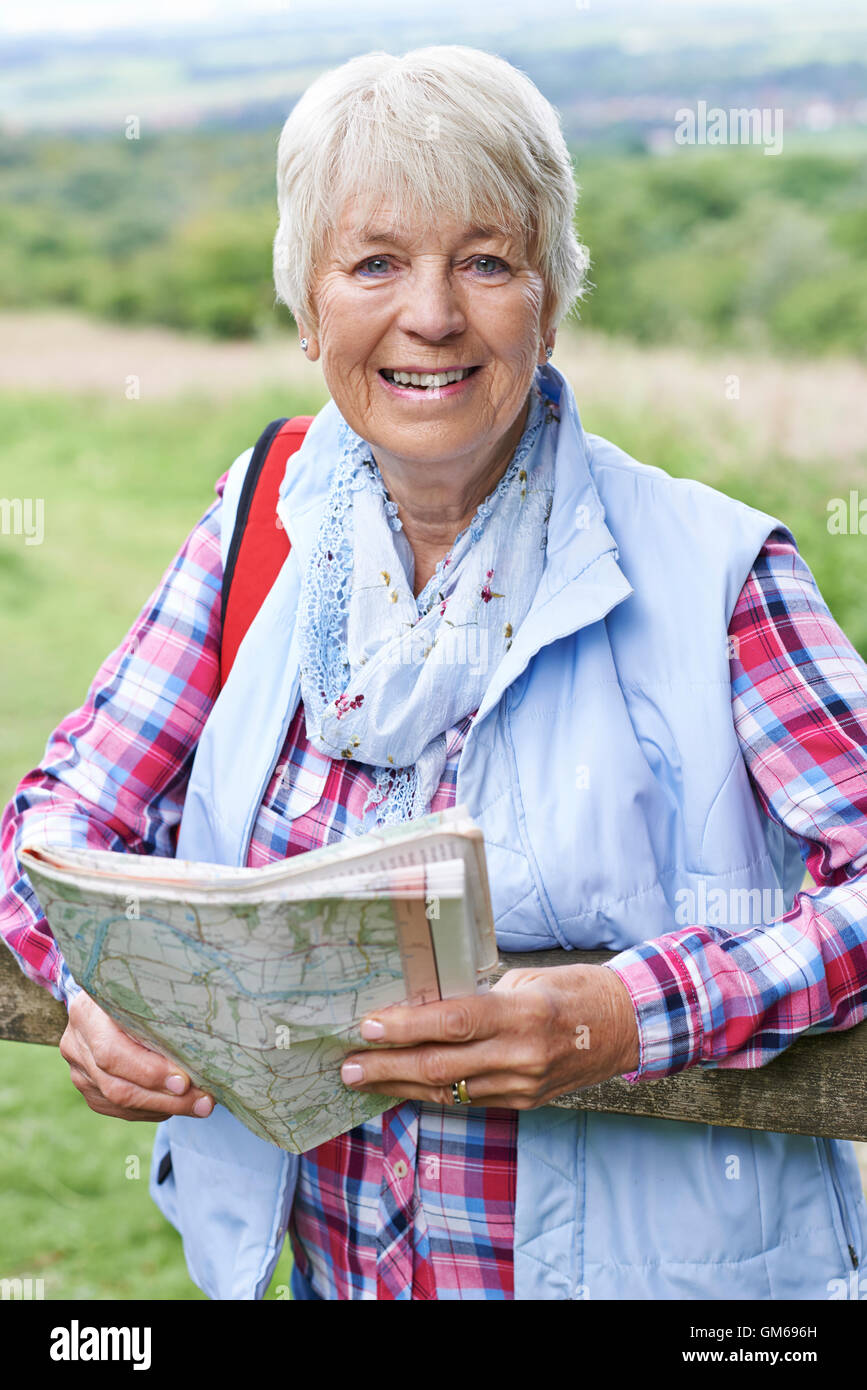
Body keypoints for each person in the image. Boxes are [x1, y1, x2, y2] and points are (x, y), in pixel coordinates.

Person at [2, 44, 866, 1301]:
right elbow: (53, 827)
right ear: (309, 308)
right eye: (374, 264)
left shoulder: (715, 570)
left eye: (485, 261)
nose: (432, 315)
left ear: (551, 302)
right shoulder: (262, 524)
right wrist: (93, 988)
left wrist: (623, 1015)